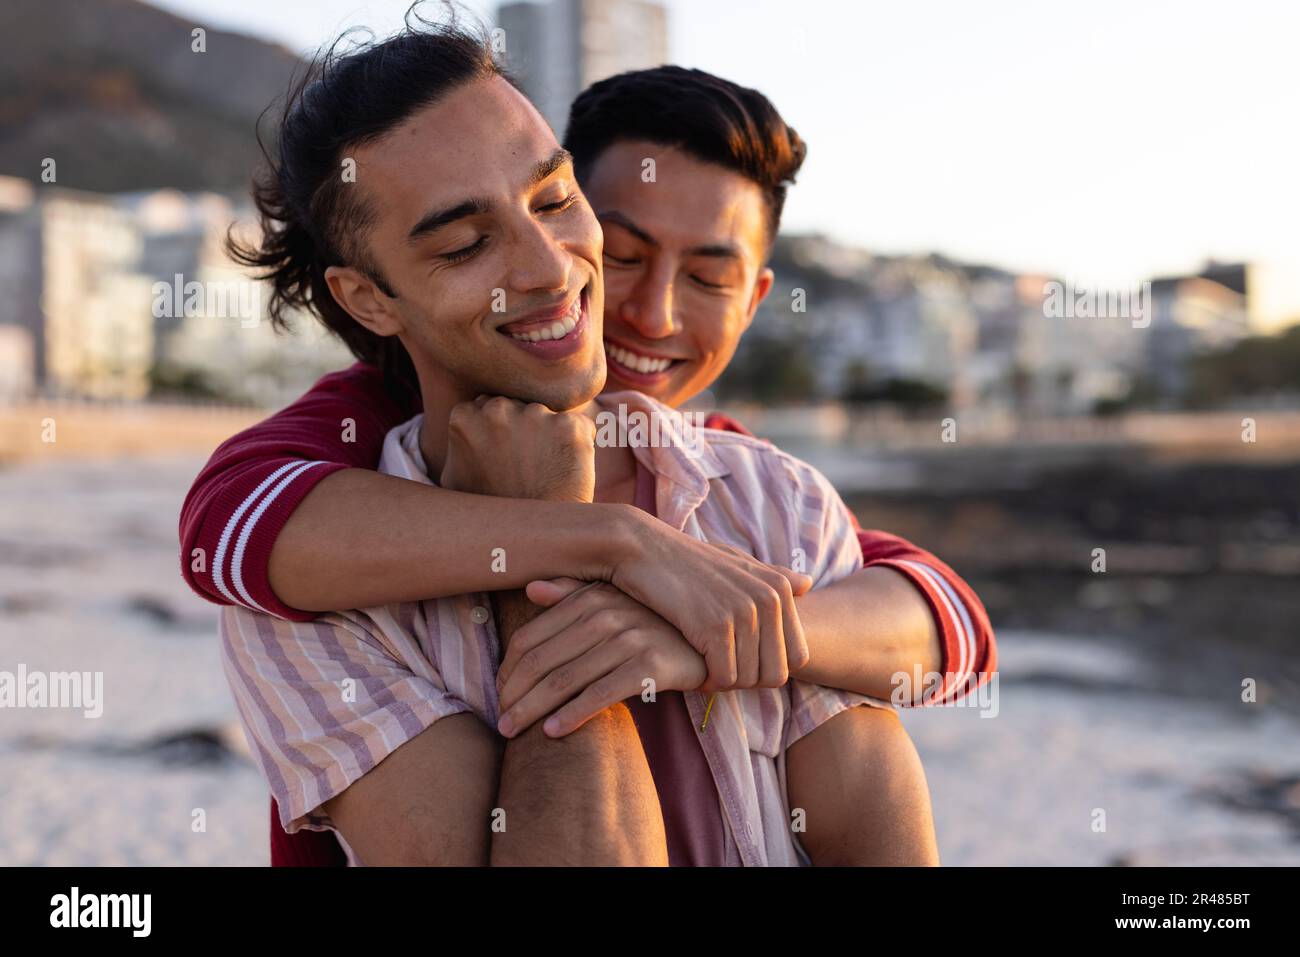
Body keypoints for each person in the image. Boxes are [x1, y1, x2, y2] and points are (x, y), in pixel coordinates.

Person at [186, 16, 994, 865]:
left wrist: (711, 633)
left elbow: (952, 623)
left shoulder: (768, 499)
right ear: (370, 299)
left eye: (553, 202)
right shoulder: (322, 558)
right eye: (466, 243)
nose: (551, 269)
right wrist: (579, 549)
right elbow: (228, 522)